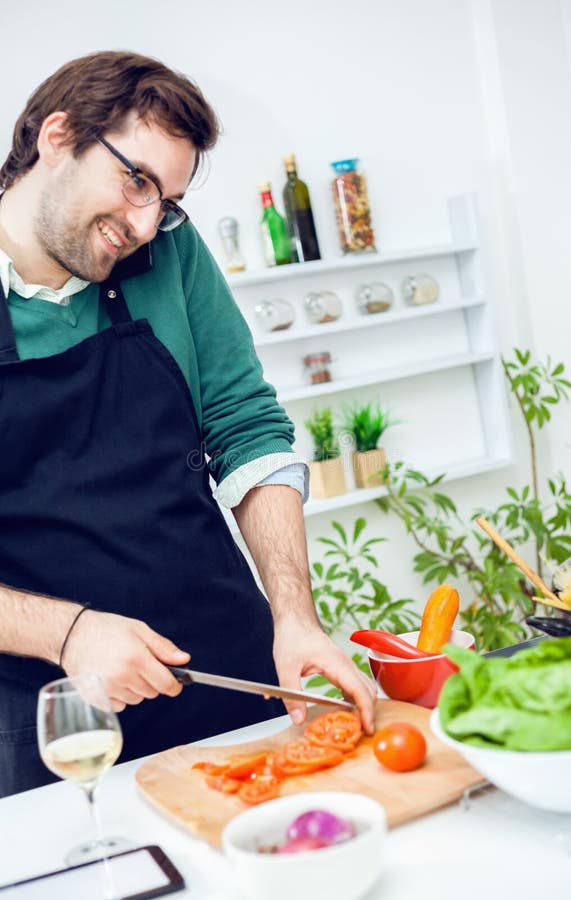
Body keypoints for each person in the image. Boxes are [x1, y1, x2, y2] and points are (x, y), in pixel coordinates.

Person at [0, 50, 376, 797]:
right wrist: (70, 632)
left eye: (165, 199)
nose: (145, 224)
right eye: (135, 178)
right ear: (55, 137)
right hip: (60, 718)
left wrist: (294, 618)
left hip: (229, 672)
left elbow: (245, 425)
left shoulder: (169, 251)